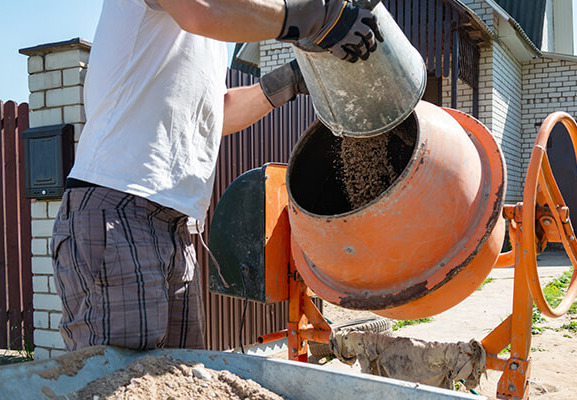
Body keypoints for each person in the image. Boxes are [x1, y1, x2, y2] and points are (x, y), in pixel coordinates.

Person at [50, 0, 383, 351]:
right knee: (118, 382)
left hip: (175, 227)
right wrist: (319, 16)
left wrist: (291, 80)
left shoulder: (208, 40)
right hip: (117, 208)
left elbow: (215, 113)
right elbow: (202, 10)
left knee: (181, 378)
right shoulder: (200, 13)